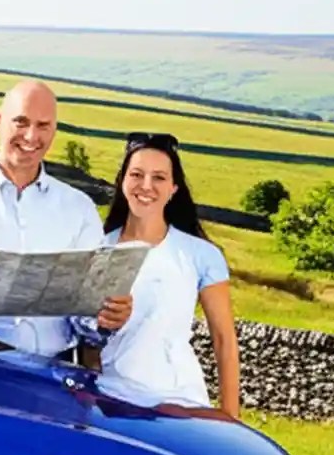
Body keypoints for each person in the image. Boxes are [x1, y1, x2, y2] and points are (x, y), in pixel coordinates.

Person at [0, 79, 132, 357]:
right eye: (20, 122)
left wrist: (107, 317)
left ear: (54, 130)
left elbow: (85, 313)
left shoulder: (79, 208)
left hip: (56, 374)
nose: (32, 137)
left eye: (43, 125)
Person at [95, 132, 240, 419]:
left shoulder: (202, 255)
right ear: (123, 181)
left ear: (174, 188)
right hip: (111, 403)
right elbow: (86, 339)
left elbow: (224, 339)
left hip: (181, 402)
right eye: (136, 174)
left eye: (159, 177)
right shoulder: (98, 250)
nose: (146, 186)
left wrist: (231, 417)